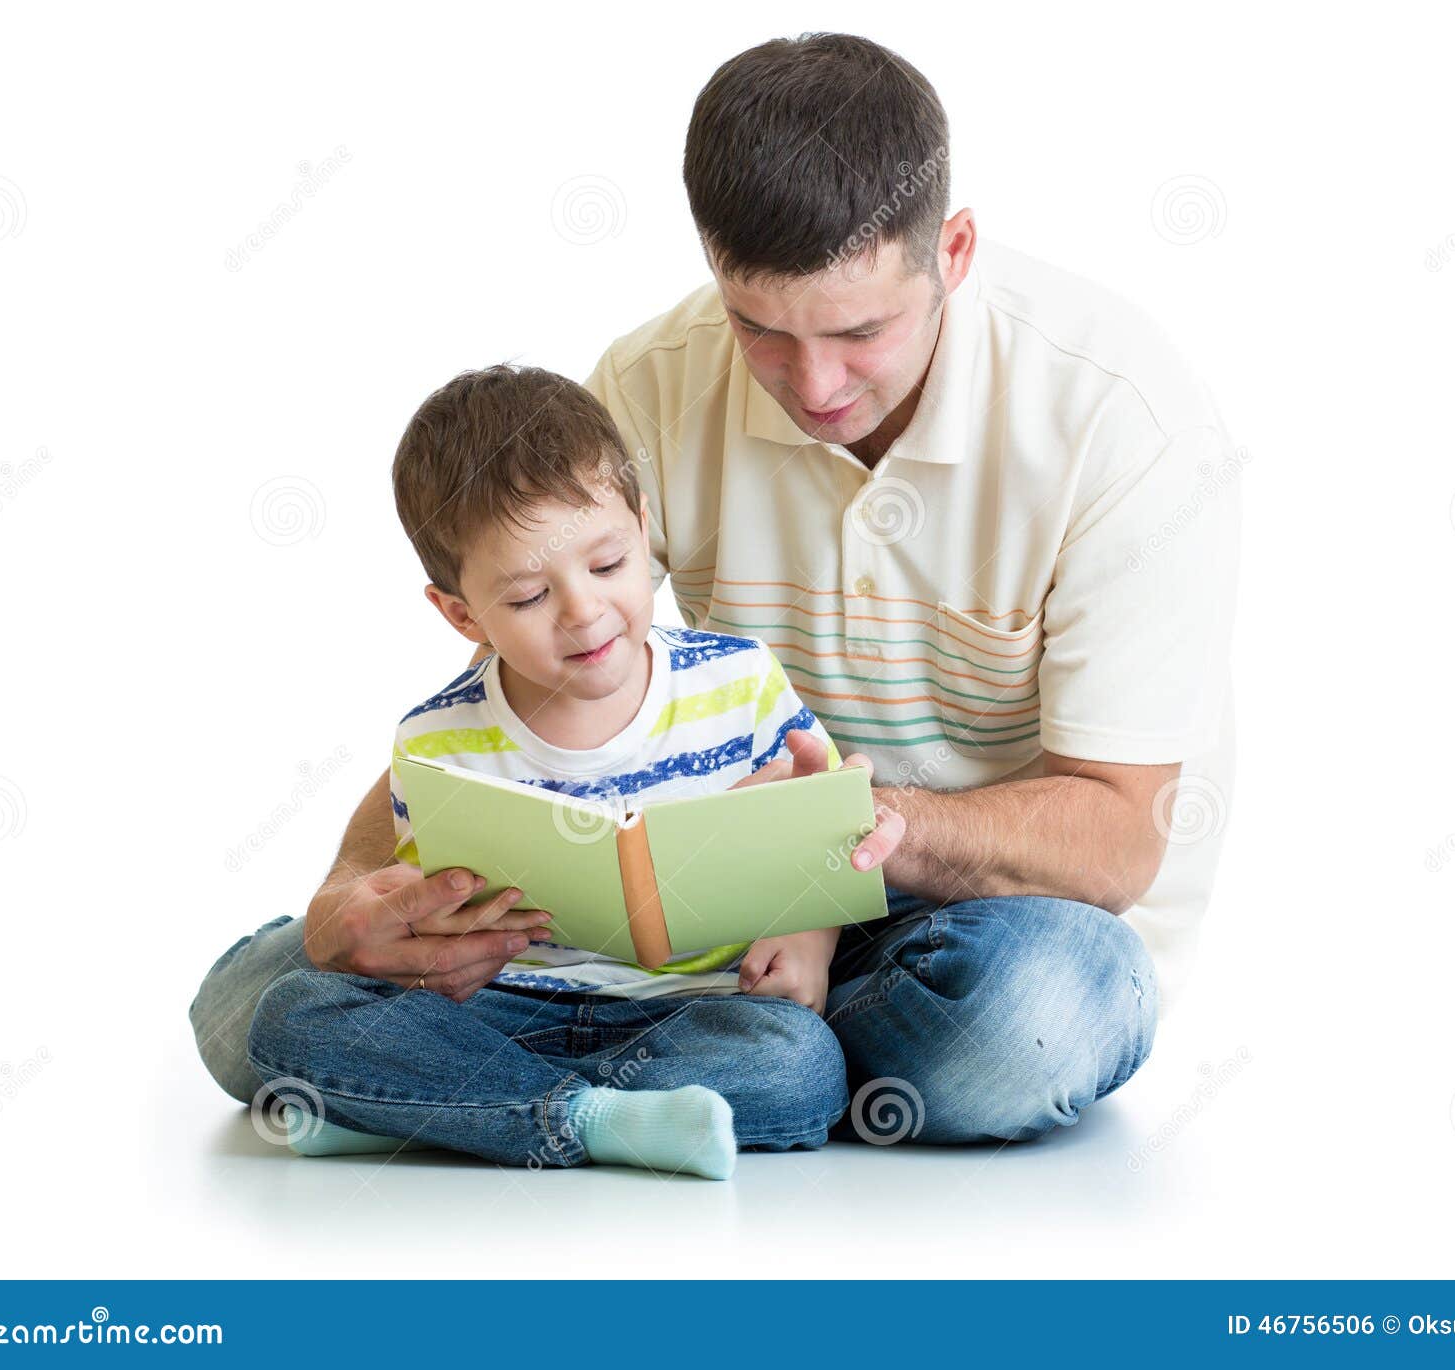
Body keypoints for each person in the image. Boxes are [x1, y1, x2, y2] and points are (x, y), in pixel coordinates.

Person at [194, 31, 1236, 1150]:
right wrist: (356, 886)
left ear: (956, 247)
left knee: (1020, 1025)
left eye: (860, 331)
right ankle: (664, 1075)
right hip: (692, 926)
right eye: (759, 330)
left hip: (974, 922)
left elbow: (1125, 834)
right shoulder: (651, 379)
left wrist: (847, 840)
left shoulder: (1116, 417)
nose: (815, 385)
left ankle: (517, 1075)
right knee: (250, 1003)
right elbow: (500, 698)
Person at [232, 364, 903, 1179]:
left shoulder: (742, 681)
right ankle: (595, 1120)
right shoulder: (433, 740)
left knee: (797, 1068)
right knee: (295, 1017)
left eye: (609, 563)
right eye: (525, 598)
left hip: (691, 1018)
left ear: (644, 527)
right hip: (500, 1013)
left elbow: (828, 841)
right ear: (461, 615)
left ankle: (440, 1113)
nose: (583, 610)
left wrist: (808, 937)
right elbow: (425, 934)